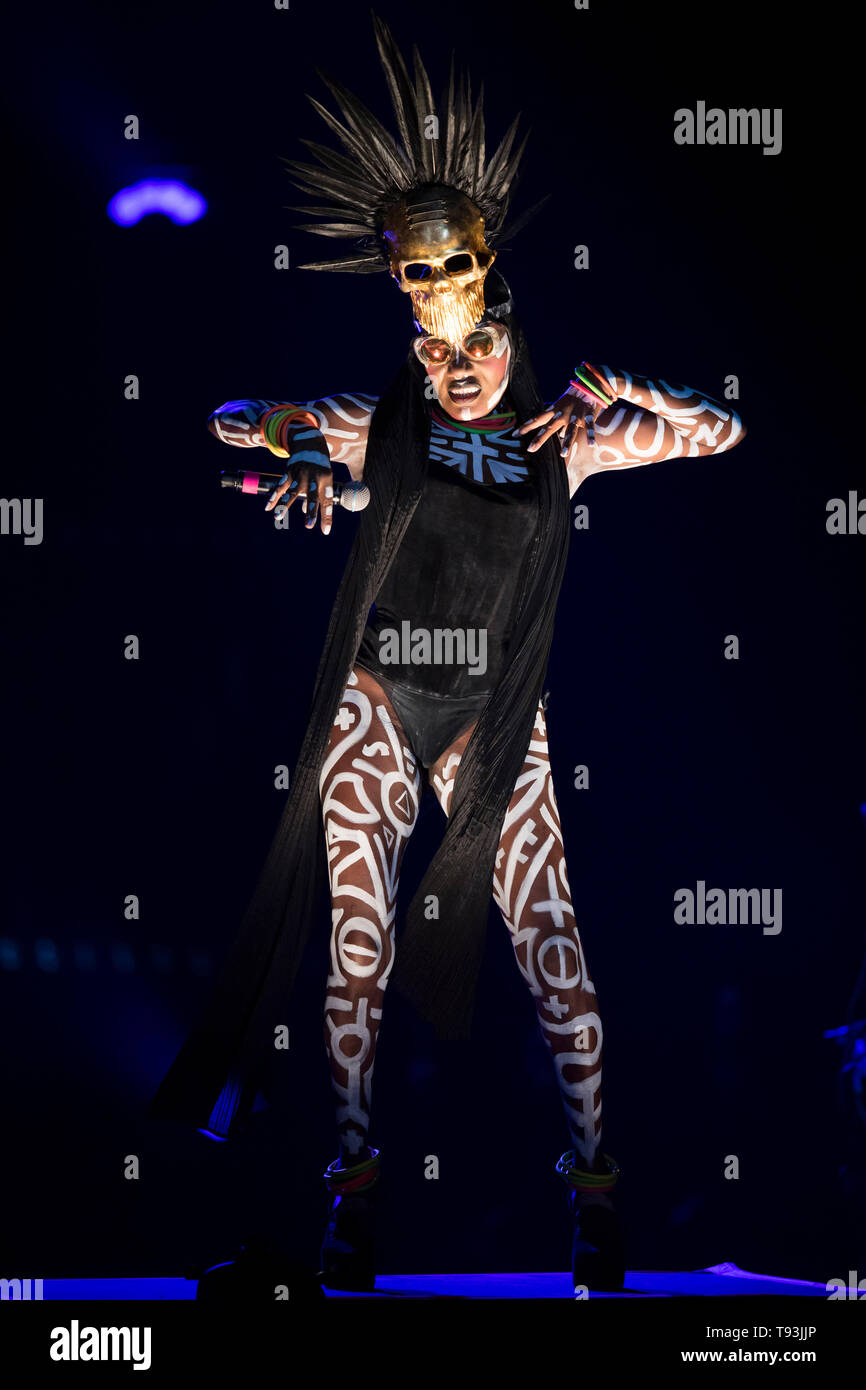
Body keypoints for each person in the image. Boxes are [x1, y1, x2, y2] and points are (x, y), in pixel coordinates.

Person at [152, 16, 746, 1293]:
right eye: (426, 342)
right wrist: (303, 449)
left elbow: (721, 431)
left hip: (491, 710)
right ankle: (351, 1199)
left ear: (500, 319)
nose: (450, 362)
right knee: (352, 953)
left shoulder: (560, 438)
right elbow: (236, 414)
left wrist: (617, 384)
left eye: (467, 341)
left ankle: (595, 1199)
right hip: (381, 699)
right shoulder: (388, 422)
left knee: (556, 950)